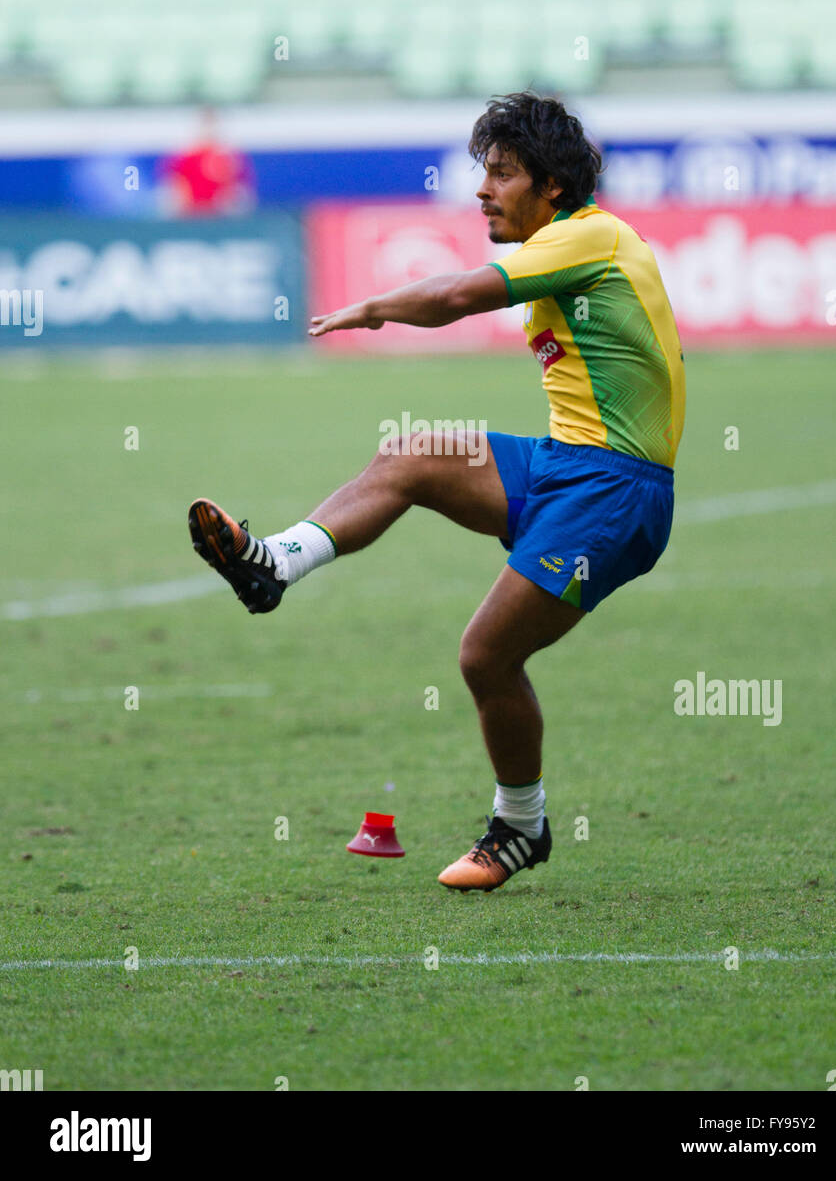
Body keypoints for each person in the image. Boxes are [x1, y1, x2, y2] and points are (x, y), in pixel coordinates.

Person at [188, 92, 685, 892]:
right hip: (567, 467)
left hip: (616, 491)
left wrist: (375, 306)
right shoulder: (568, 241)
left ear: (552, 185)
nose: (483, 190)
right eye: (482, 173)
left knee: (486, 655)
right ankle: (274, 564)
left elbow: (458, 295)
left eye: (502, 174)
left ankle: (521, 826)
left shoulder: (587, 235)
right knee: (411, 456)